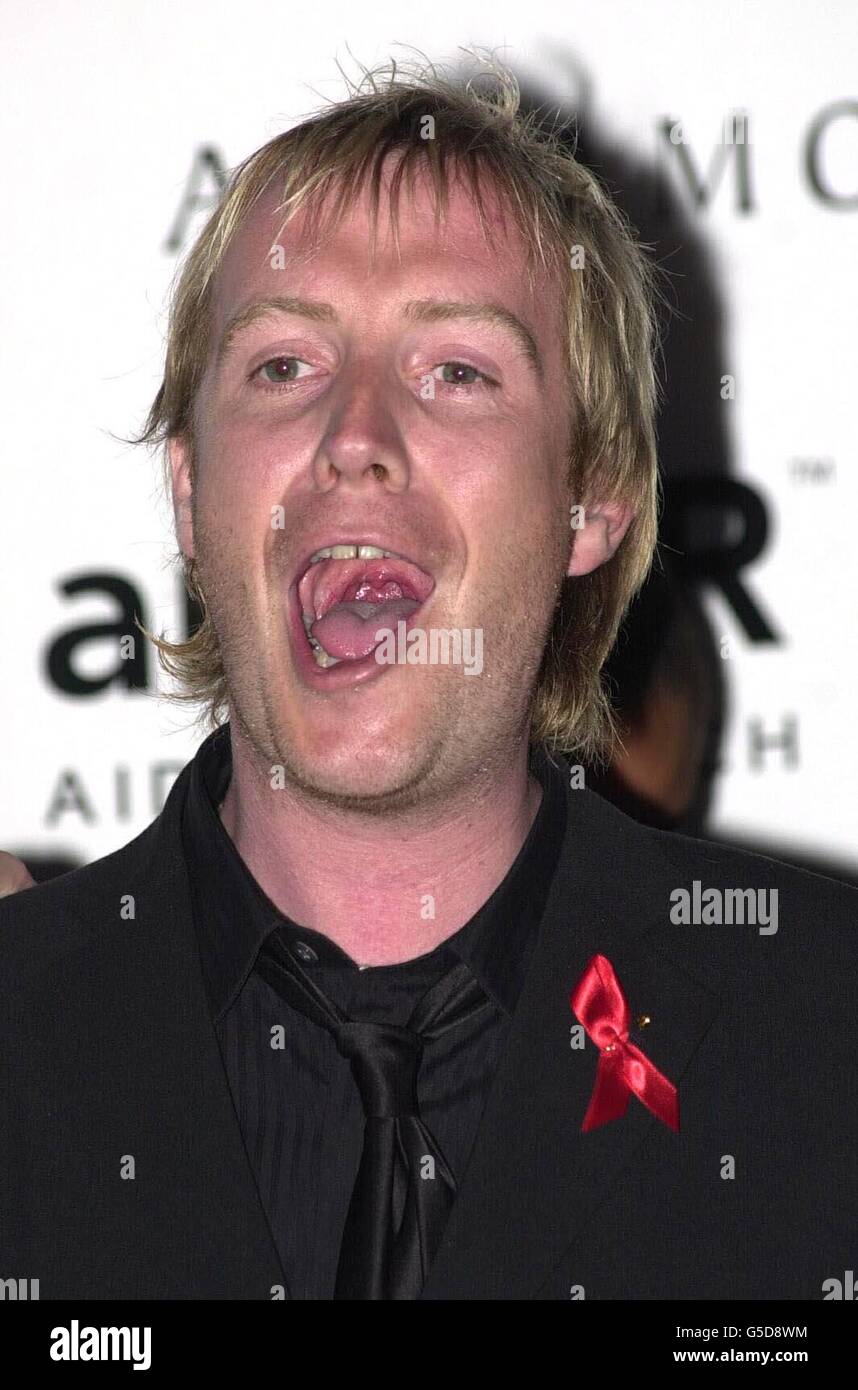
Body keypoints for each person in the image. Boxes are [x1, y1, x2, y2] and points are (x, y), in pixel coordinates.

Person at [1, 53, 855, 1302]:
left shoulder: (828, 1038)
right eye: (284, 365)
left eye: (457, 370)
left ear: (593, 502)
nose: (354, 437)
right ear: (190, 491)